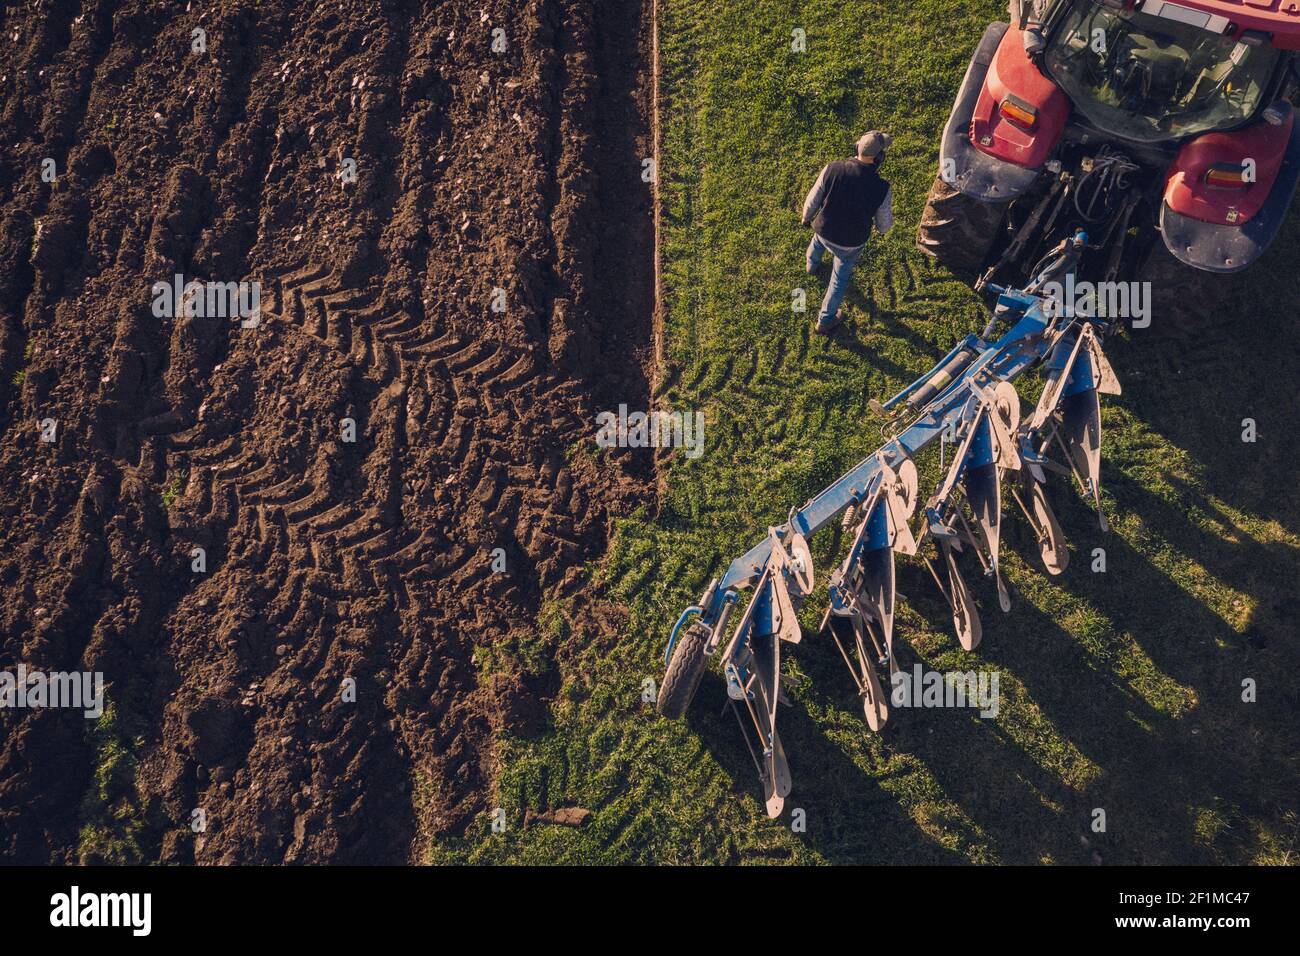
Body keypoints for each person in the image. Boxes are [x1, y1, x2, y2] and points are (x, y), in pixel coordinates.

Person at [801, 131, 894, 334]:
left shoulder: (832, 168)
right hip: (850, 243)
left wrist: (806, 217)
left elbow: (813, 198)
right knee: (838, 280)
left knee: (817, 243)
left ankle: (812, 265)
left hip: (823, 229)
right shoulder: (882, 188)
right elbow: (884, 226)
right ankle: (825, 320)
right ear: (879, 158)